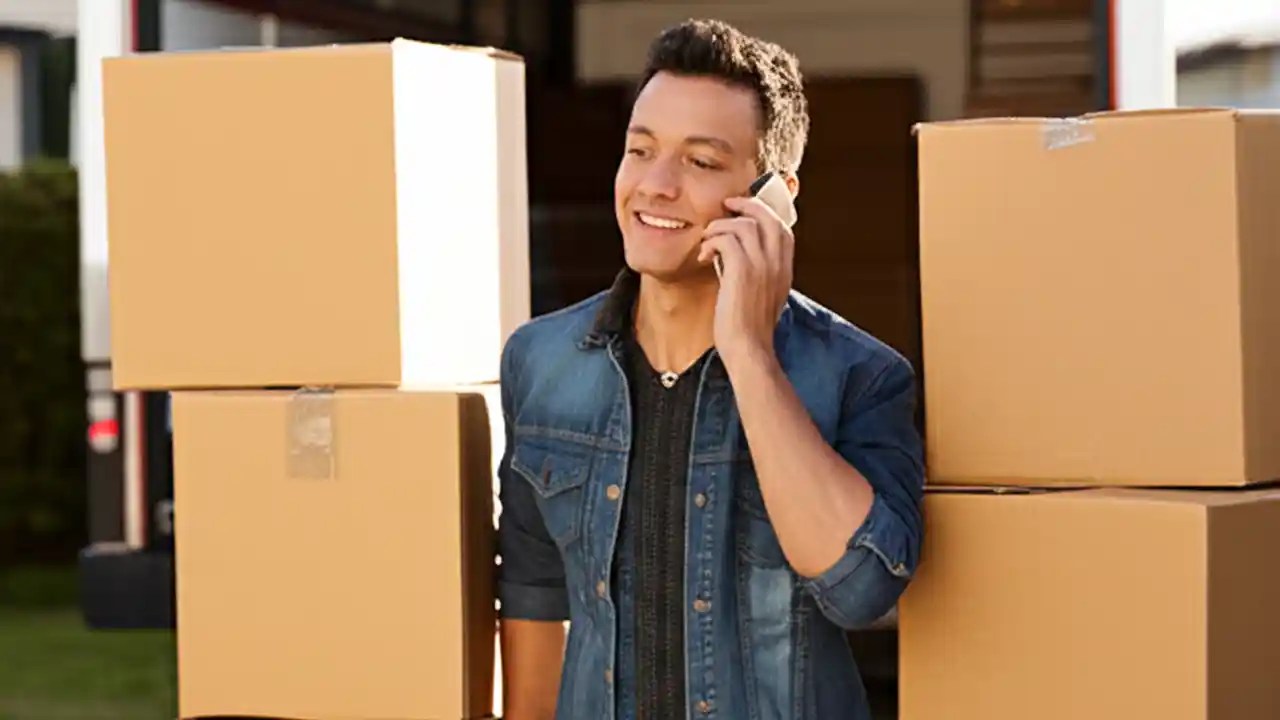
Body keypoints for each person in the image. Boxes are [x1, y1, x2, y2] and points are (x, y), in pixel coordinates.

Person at [496, 18, 925, 720]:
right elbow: (535, 592)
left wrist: (750, 353)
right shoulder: (539, 362)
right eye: (641, 151)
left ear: (774, 197)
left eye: (699, 162)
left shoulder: (860, 375)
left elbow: (860, 588)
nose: (655, 186)